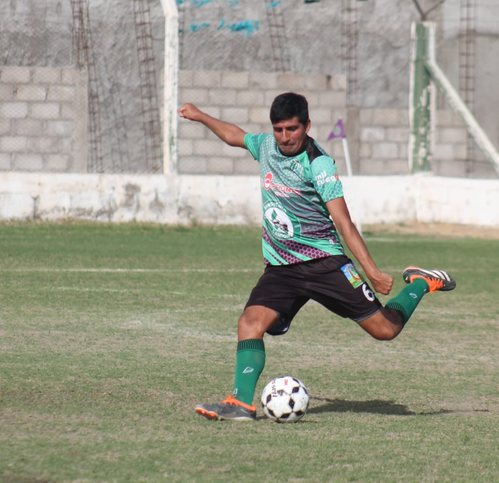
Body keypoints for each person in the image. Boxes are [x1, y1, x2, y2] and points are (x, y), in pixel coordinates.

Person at [178, 93, 456, 421]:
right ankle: (241, 403)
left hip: (325, 264)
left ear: (307, 126)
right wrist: (200, 116)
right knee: (249, 324)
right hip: (281, 267)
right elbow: (232, 135)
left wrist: (373, 272)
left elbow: (343, 222)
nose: (285, 137)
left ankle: (421, 283)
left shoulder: (318, 163)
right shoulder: (265, 147)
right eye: (278, 129)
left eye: (292, 129)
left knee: (385, 330)